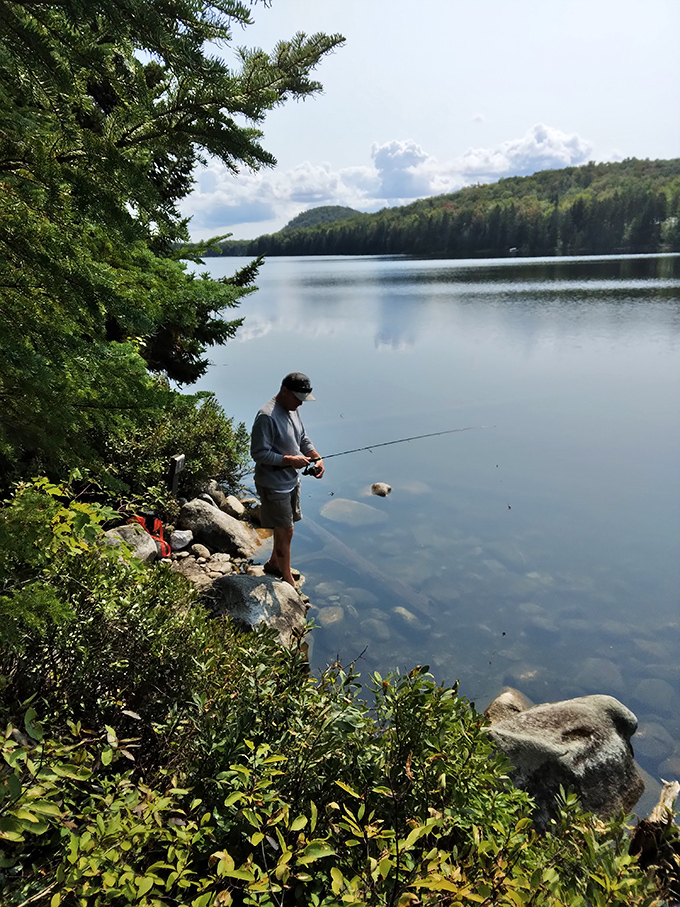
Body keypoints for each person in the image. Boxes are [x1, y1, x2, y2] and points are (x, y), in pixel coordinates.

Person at [250, 372, 325, 588]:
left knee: (288, 526)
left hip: (291, 481)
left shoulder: (292, 410)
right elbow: (259, 453)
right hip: (273, 484)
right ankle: (287, 579)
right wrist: (289, 460)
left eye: (303, 400)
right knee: (286, 529)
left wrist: (316, 458)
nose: (300, 404)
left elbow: (302, 438)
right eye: (297, 398)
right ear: (284, 391)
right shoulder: (266, 416)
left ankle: (275, 562)